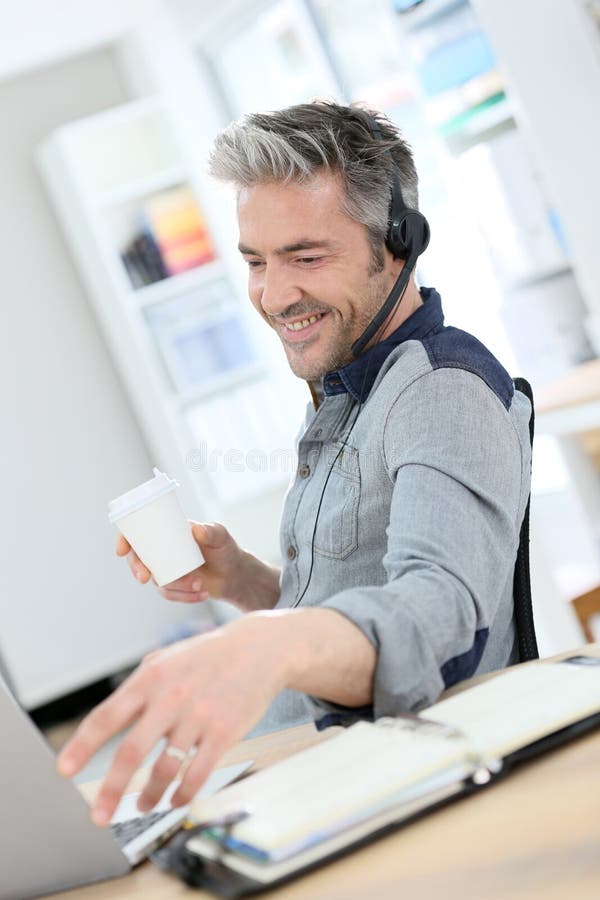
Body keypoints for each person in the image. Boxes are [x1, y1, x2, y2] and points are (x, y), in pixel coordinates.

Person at [58, 102, 531, 826]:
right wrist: (245, 583)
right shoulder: (345, 388)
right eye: (255, 261)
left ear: (399, 243)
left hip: (381, 799)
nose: (275, 296)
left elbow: (434, 622)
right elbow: (353, 600)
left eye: (306, 257)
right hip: (293, 777)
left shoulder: (439, 393)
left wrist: (269, 643)